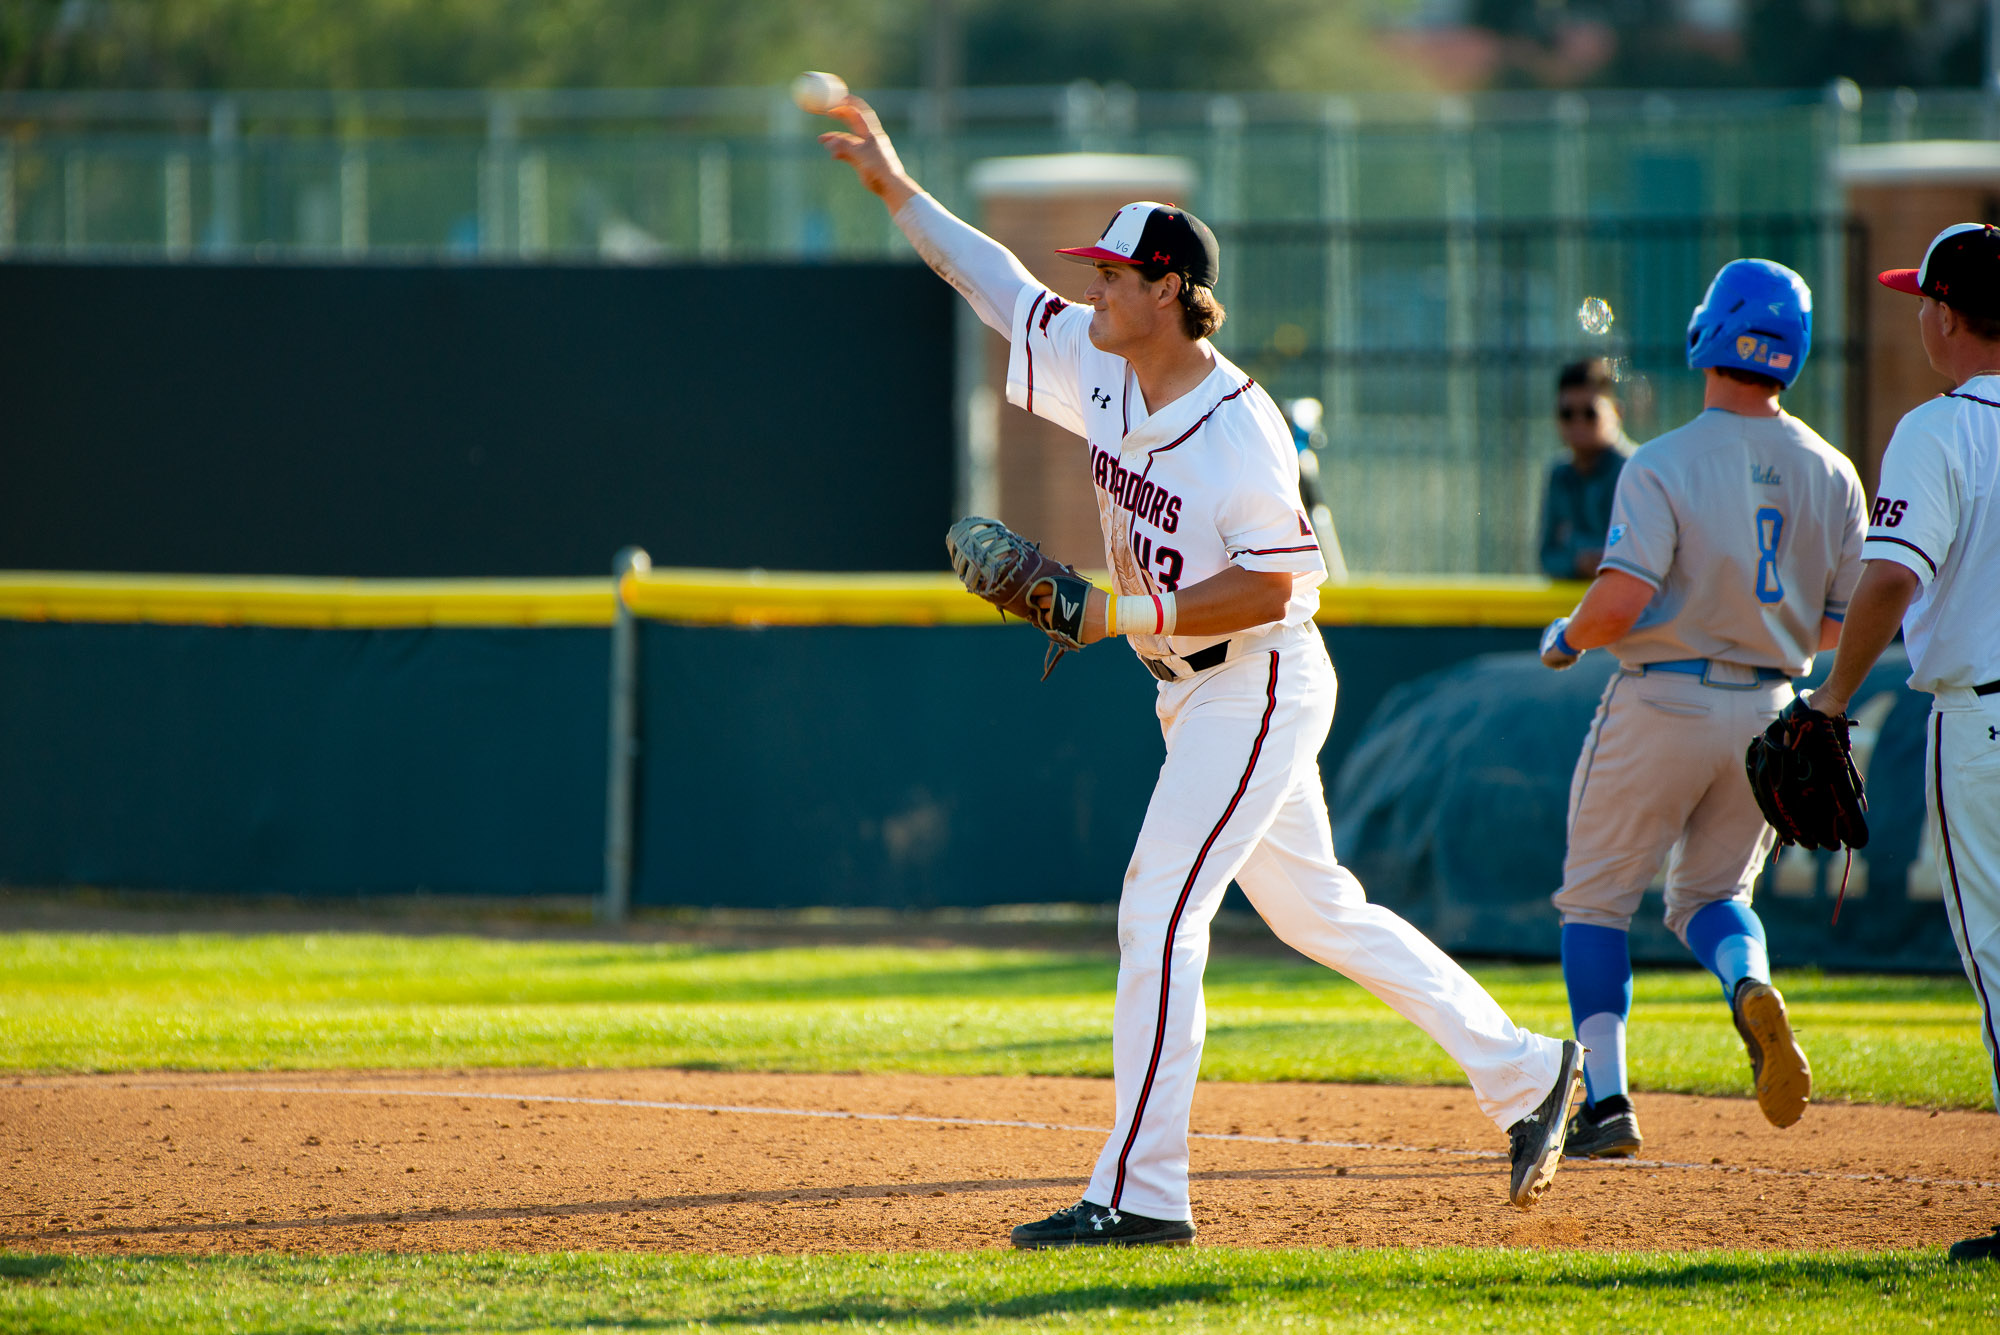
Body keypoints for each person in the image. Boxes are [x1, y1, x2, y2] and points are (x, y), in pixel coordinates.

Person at [816, 93, 1583, 1248]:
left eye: (1113, 278)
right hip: (1191, 689)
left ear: (1168, 288)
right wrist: (895, 187)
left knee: (1158, 909)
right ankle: (1525, 1069)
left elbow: (1276, 589)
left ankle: (1142, 1193)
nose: (1093, 293)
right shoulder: (1100, 362)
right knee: (1321, 913)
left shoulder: (1236, 430)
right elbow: (994, 284)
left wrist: (1111, 612)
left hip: (1257, 682)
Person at [1537, 259, 1865, 1160]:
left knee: (1596, 902)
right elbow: (1844, 620)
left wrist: (1566, 637)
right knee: (1714, 897)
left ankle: (1609, 1102)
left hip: (1662, 697)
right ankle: (1747, 980)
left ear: (1709, 333)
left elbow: (1619, 602)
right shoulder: (1833, 471)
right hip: (1770, 705)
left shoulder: (1664, 461)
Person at [1798, 223, 2000, 1263]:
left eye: (1922, 298)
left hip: (1985, 724)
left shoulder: (1939, 427)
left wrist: (1831, 698)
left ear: (1945, 313)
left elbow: (1888, 576)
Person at [1539, 358, 1638, 580]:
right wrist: (1580, 562)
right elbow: (1547, 556)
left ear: (1617, 412)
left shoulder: (1637, 470)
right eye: (1567, 414)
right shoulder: (1559, 474)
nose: (1578, 423)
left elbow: (1641, 554)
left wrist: (1574, 545)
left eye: (1589, 413)